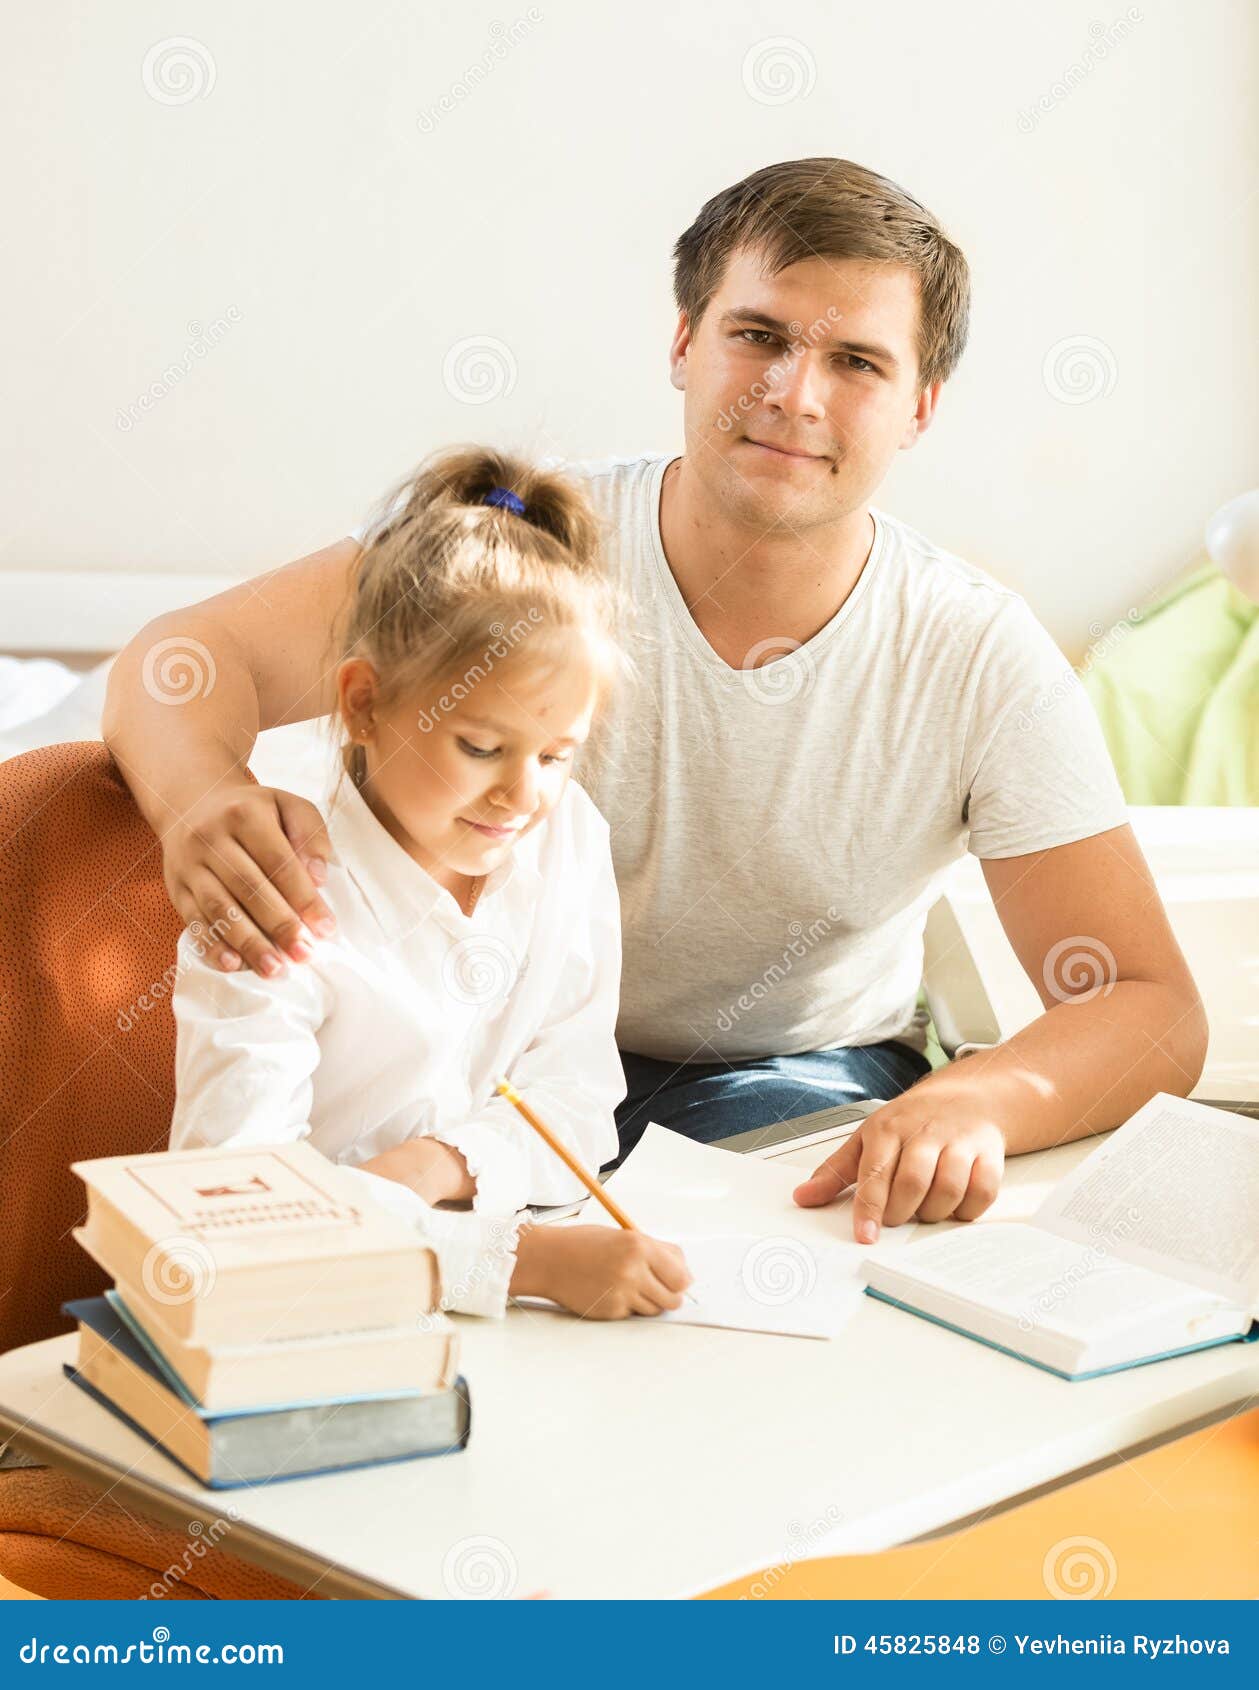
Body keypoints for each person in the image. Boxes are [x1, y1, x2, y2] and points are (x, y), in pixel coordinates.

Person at [105, 158, 1205, 1247]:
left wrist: (983, 1097)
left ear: (917, 407)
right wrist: (200, 794)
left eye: (856, 362)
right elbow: (184, 658)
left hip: (788, 1086)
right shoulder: (524, 548)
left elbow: (1148, 1006)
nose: (793, 393)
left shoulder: (975, 650)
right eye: (758, 335)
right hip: (492, 1069)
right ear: (683, 344)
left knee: (703, 1291)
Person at [167, 445, 691, 1321]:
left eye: (557, 754)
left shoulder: (567, 838)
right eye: (480, 747)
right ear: (364, 704)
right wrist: (521, 1262)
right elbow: (238, 1218)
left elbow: (578, 1104)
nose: (522, 796)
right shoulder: (277, 896)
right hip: (294, 1329)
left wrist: (428, 1168)